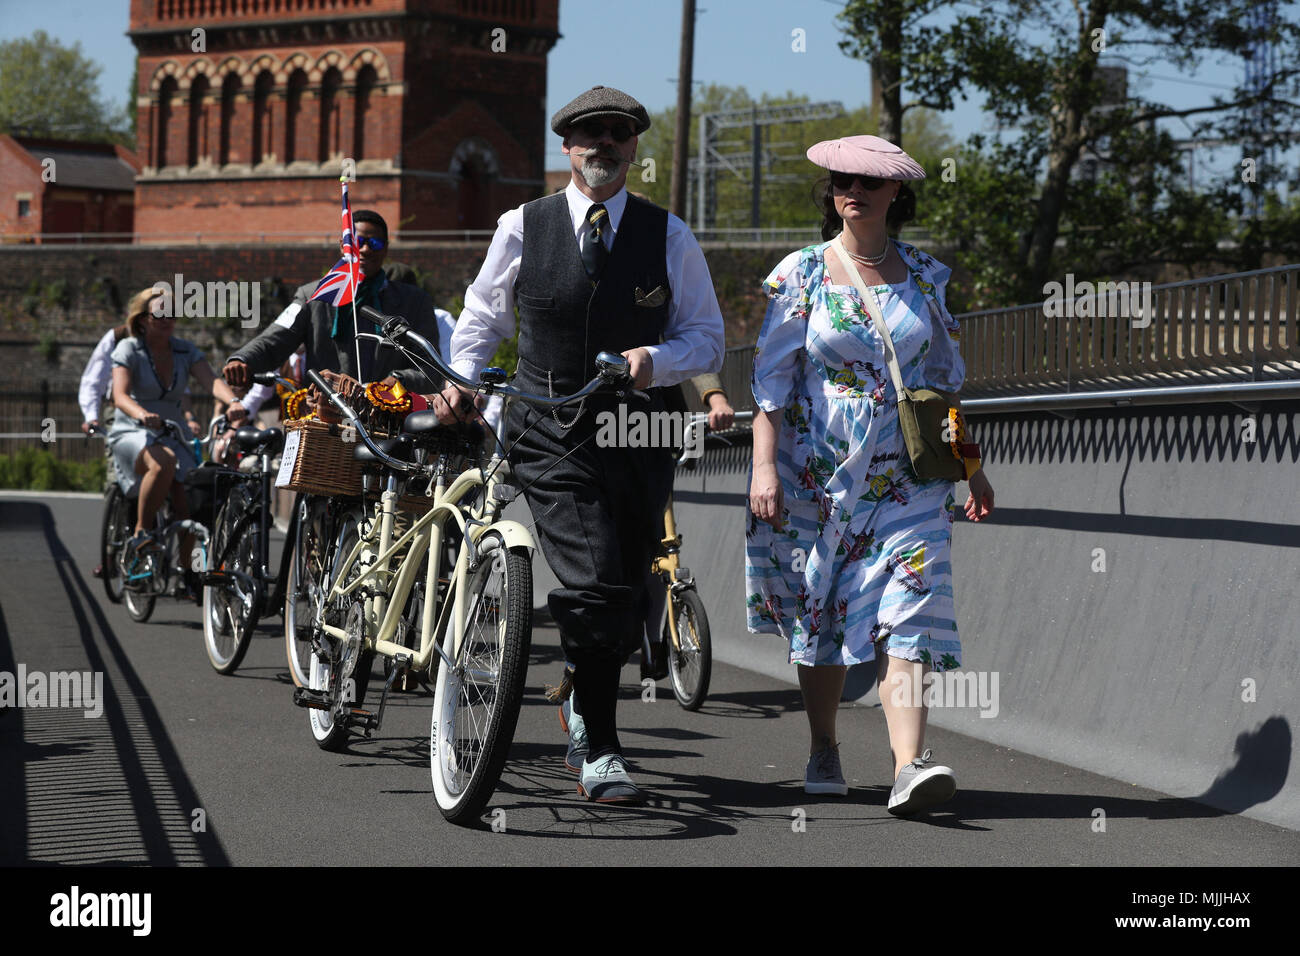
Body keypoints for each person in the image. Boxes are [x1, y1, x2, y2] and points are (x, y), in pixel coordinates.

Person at [430, 85, 725, 803]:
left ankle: (579, 695)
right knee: (593, 582)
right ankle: (601, 746)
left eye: (617, 135)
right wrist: (462, 380)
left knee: (628, 599)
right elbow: (481, 317)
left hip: (640, 434)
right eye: (588, 136)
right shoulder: (523, 226)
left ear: (633, 149)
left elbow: (706, 336)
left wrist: (653, 362)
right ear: (567, 147)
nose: (602, 147)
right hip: (548, 427)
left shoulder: (669, 235)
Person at [745, 135, 995, 815]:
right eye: (840, 181)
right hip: (816, 475)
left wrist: (969, 469)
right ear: (830, 194)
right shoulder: (800, 273)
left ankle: (909, 763)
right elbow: (769, 381)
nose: (851, 190)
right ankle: (824, 744)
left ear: (895, 194)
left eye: (866, 181)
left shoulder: (924, 274)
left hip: (908, 478)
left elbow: (942, 381)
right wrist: (764, 467)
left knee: (911, 606)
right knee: (821, 613)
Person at [222, 210, 444, 400]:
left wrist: (393, 383)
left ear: (385, 248)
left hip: (388, 421)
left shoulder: (415, 301)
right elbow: (274, 339)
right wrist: (242, 360)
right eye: (357, 242)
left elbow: (431, 369)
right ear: (343, 246)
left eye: (374, 243)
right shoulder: (313, 297)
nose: (365, 249)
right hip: (326, 419)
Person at [107, 287, 246, 560]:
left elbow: (212, 381)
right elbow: (119, 396)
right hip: (133, 429)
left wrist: (233, 402)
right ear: (143, 319)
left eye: (171, 313)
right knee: (164, 463)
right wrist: (141, 414)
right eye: (159, 313)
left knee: (190, 498)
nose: (166, 319)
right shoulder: (129, 348)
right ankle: (141, 532)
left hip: (173, 430)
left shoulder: (185, 351)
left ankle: (187, 573)